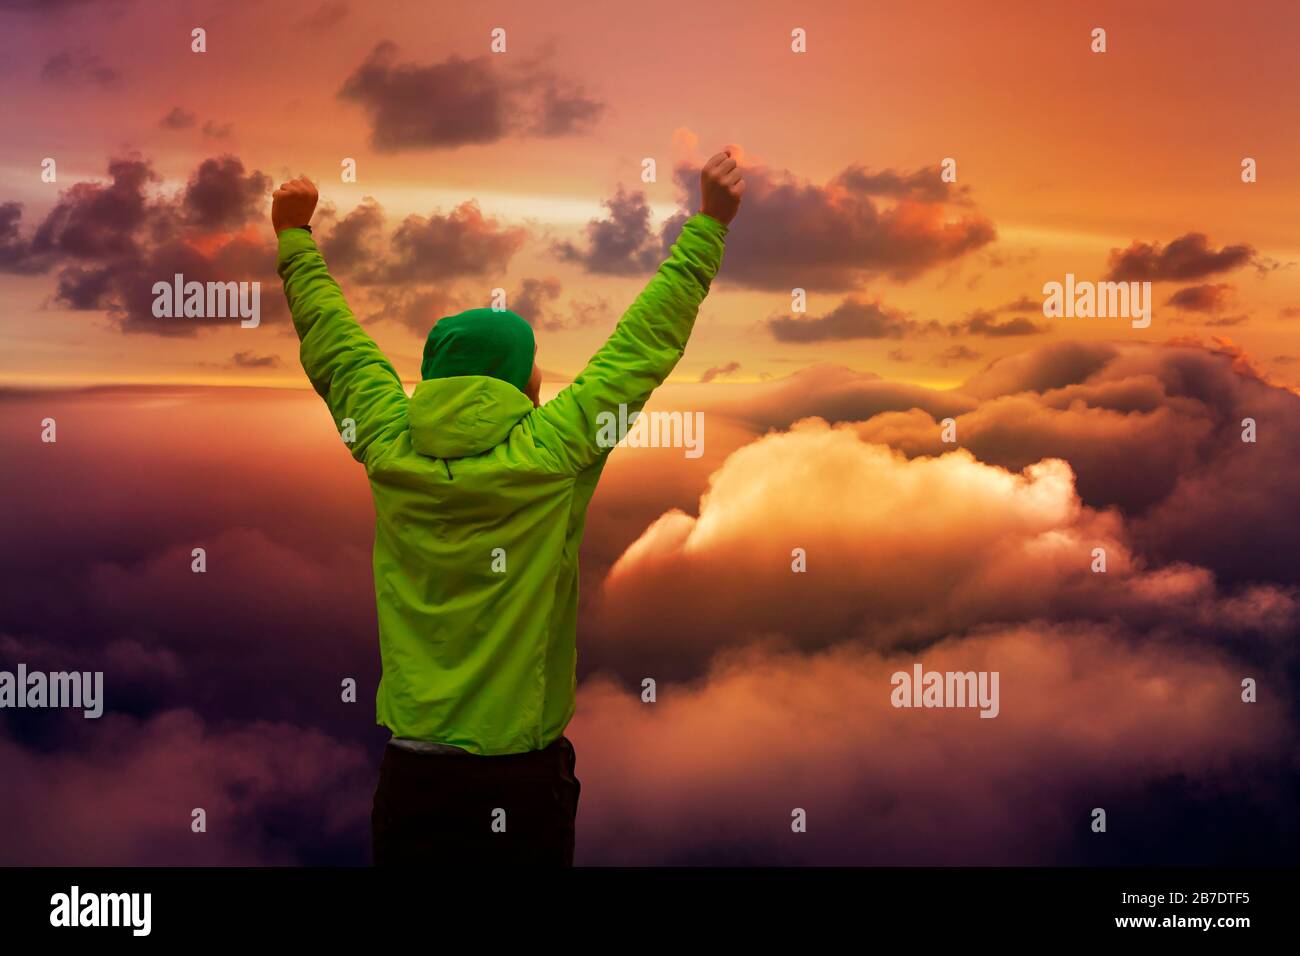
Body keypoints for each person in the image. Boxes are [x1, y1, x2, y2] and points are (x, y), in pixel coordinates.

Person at [272, 150, 744, 865]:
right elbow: (641, 345)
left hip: (412, 776)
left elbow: (336, 348)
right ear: (523, 384)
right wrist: (709, 223)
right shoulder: (554, 453)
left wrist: (294, 238)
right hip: (520, 782)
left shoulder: (387, 446)